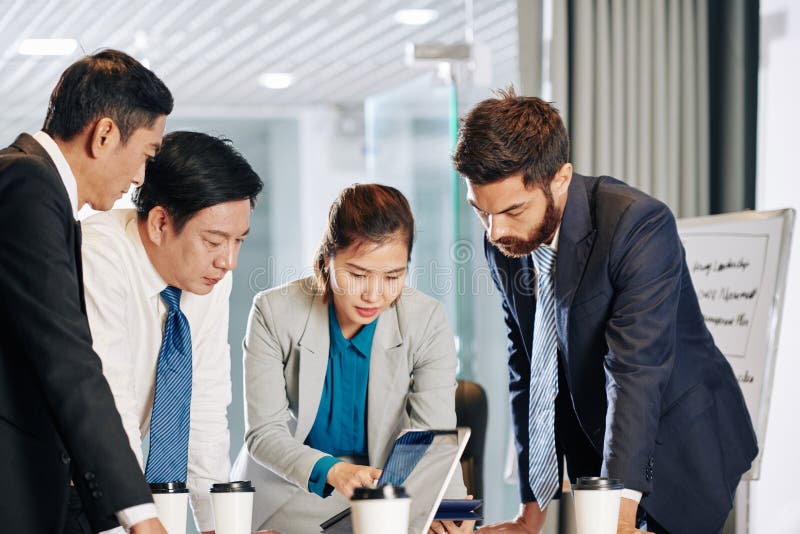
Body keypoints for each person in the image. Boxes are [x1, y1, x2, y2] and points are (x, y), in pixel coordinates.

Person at [452, 89, 758, 534]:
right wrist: (529, 516)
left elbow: (635, 371)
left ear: (560, 179)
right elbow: (529, 369)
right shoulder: (503, 242)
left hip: (681, 446)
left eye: (513, 210)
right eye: (481, 212)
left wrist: (620, 515)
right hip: (597, 443)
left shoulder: (637, 225)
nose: (495, 230)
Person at [230, 184, 471, 533]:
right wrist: (334, 471)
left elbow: (433, 437)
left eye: (393, 276)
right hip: (289, 490)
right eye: (358, 275)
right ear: (327, 259)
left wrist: (452, 511)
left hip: (386, 496)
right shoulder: (274, 312)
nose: (374, 294)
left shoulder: (426, 320)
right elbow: (264, 434)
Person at [0, 50, 173, 534]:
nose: (140, 177)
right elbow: (67, 359)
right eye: (146, 154)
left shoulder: (40, 191)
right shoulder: (28, 183)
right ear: (104, 135)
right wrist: (140, 516)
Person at [80, 131, 264, 533]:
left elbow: (204, 402)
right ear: (161, 223)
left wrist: (218, 525)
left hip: (113, 482)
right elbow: (111, 403)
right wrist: (140, 519)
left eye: (239, 241)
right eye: (214, 241)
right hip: (55, 483)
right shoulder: (99, 254)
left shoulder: (207, 278)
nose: (229, 261)